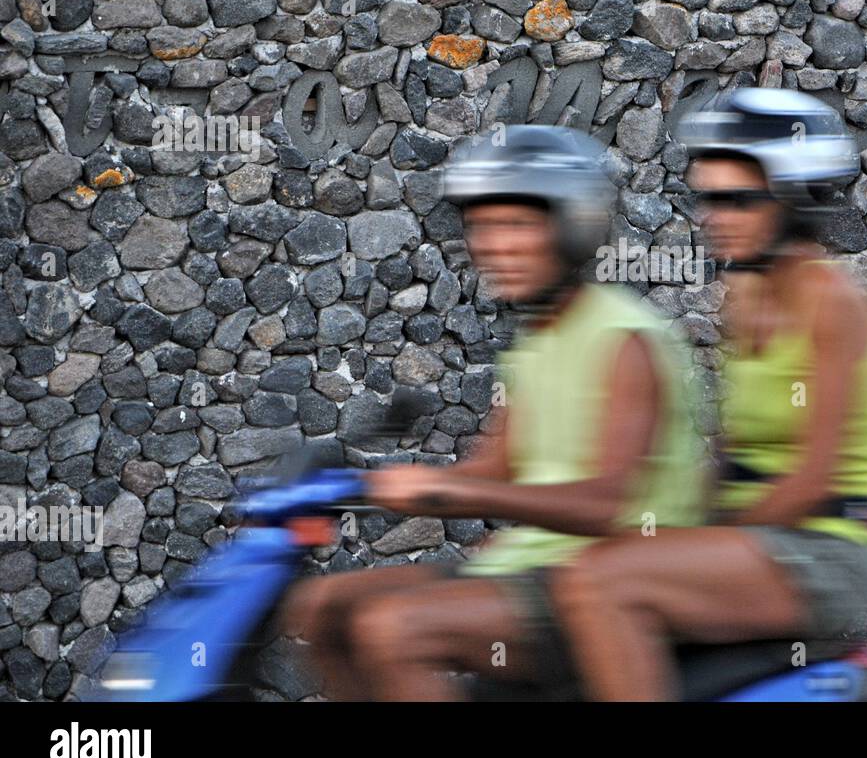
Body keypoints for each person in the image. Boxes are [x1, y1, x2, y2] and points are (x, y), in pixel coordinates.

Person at [278, 124, 706, 700]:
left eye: (516, 224)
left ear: (574, 225)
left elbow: (609, 505)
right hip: (536, 566)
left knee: (394, 629)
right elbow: (493, 469)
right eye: (481, 226)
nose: (493, 245)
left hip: (610, 578)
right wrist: (369, 484)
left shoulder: (624, 337)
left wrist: (444, 495)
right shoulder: (539, 340)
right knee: (321, 607)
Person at [549, 88, 867, 701]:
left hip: (826, 545)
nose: (712, 217)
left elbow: (810, 478)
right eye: (706, 198)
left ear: (794, 201)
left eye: (736, 200)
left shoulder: (836, 302)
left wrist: (690, 541)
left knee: (599, 584)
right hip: (759, 535)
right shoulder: (746, 297)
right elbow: (733, 454)